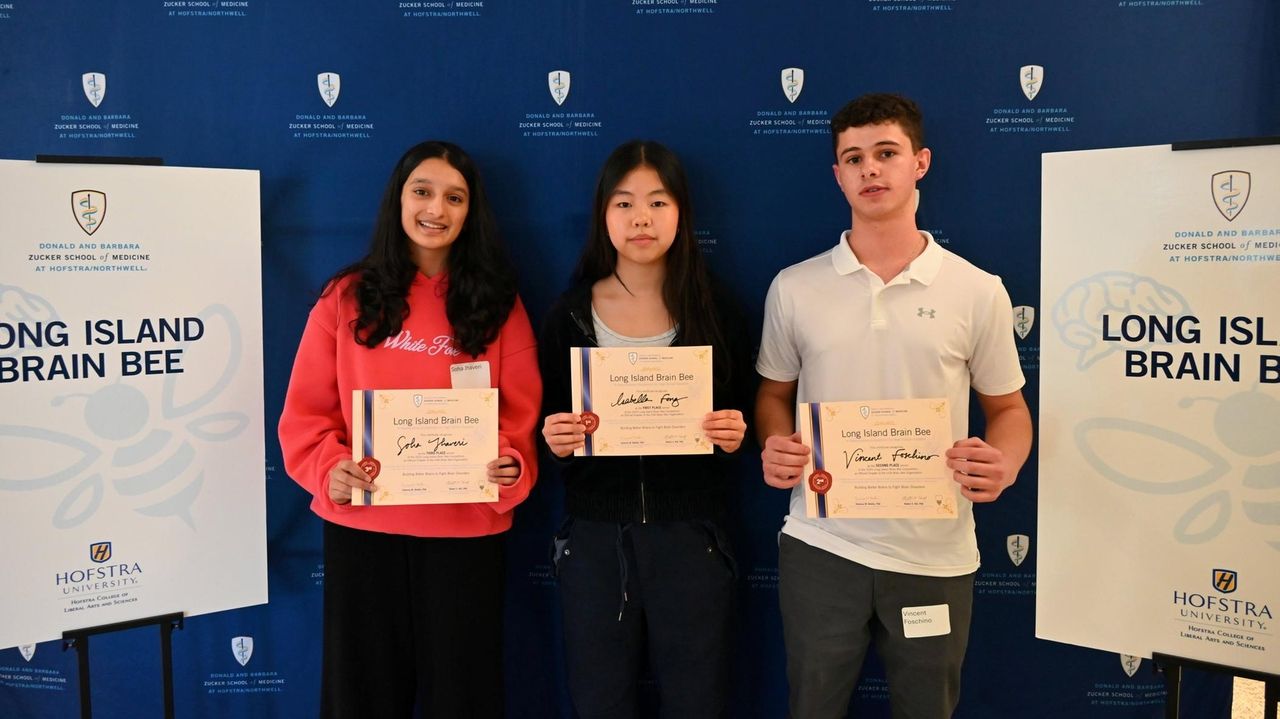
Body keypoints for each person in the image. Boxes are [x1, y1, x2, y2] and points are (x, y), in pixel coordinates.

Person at [755, 94, 1033, 718]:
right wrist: (775, 442)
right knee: (812, 707)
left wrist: (1006, 463)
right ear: (838, 175)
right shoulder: (794, 288)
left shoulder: (977, 289)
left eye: (886, 153)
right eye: (854, 158)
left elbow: (1010, 411)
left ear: (920, 162)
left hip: (934, 550)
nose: (870, 169)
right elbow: (773, 396)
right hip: (822, 542)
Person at [278, 140, 541, 719]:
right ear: (398, 199)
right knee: (360, 699)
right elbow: (306, 415)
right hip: (364, 533)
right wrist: (329, 469)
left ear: (471, 212)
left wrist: (509, 464)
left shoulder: (499, 304)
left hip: (465, 534)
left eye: (455, 197)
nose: (436, 209)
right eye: (422, 191)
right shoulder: (345, 298)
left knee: (465, 700)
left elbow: (520, 420)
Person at [538, 140, 754, 718]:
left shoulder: (718, 309)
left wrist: (735, 434)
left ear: (681, 212)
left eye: (658, 202)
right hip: (593, 542)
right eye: (624, 203)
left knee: (697, 701)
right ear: (603, 215)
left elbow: (747, 418)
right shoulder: (568, 315)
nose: (641, 219)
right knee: (599, 701)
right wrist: (554, 440)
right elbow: (546, 424)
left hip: (692, 536)